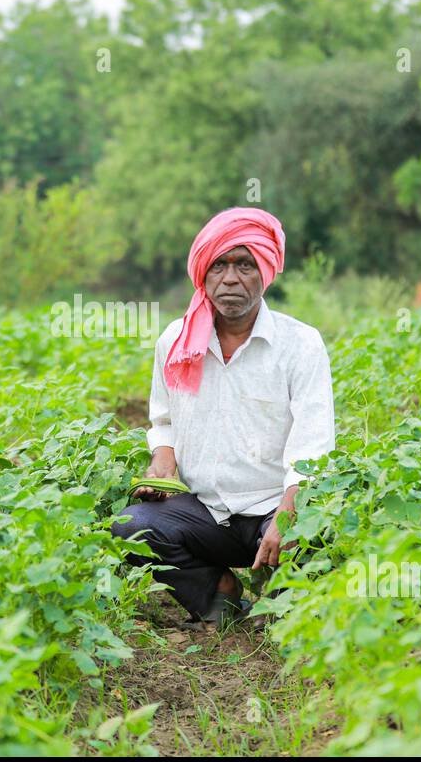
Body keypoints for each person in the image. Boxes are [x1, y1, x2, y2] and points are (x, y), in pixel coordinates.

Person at [112, 207, 335, 627]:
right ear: (203, 273)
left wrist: (289, 512)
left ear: (265, 272)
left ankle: (281, 607)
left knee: (316, 535)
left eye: (245, 265)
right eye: (219, 265)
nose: (230, 278)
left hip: (274, 508)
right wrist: (163, 459)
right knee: (132, 526)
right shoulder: (176, 341)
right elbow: (163, 421)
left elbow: (314, 446)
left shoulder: (300, 344)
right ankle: (221, 595)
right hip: (204, 513)